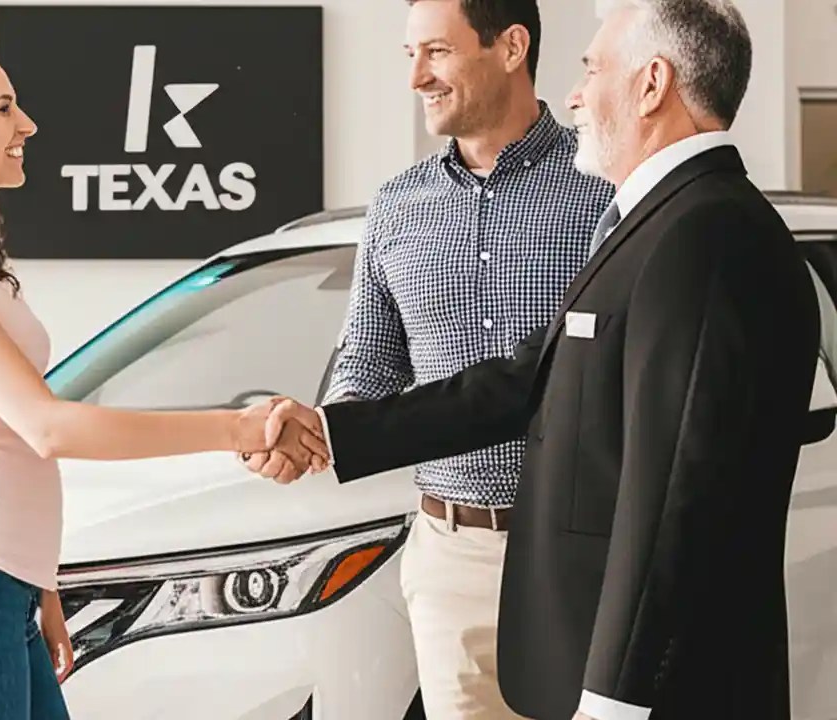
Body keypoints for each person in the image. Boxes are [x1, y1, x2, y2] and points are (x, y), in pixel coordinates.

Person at [254, 1, 820, 718]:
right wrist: (331, 432)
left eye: (592, 69)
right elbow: (528, 378)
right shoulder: (657, 220)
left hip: (598, 588)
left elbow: (673, 487)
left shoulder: (682, 227)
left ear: (650, 85)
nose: (579, 92)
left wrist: (616, 696)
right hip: (458, 555)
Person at [0, 37, 327, 720]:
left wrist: (39, 581)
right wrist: (237, 426)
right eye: (4, 108)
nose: (26, 125)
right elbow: (46, 425)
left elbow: (4, 436)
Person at [245, 0, 612, 716]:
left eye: (437, 52)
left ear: (511, 46)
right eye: (409, 55)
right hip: (450, 557)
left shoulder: (602, 188)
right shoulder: (395, 207)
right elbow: (370, 368)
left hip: (578, 548)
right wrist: (319, 431)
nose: (417, 77)